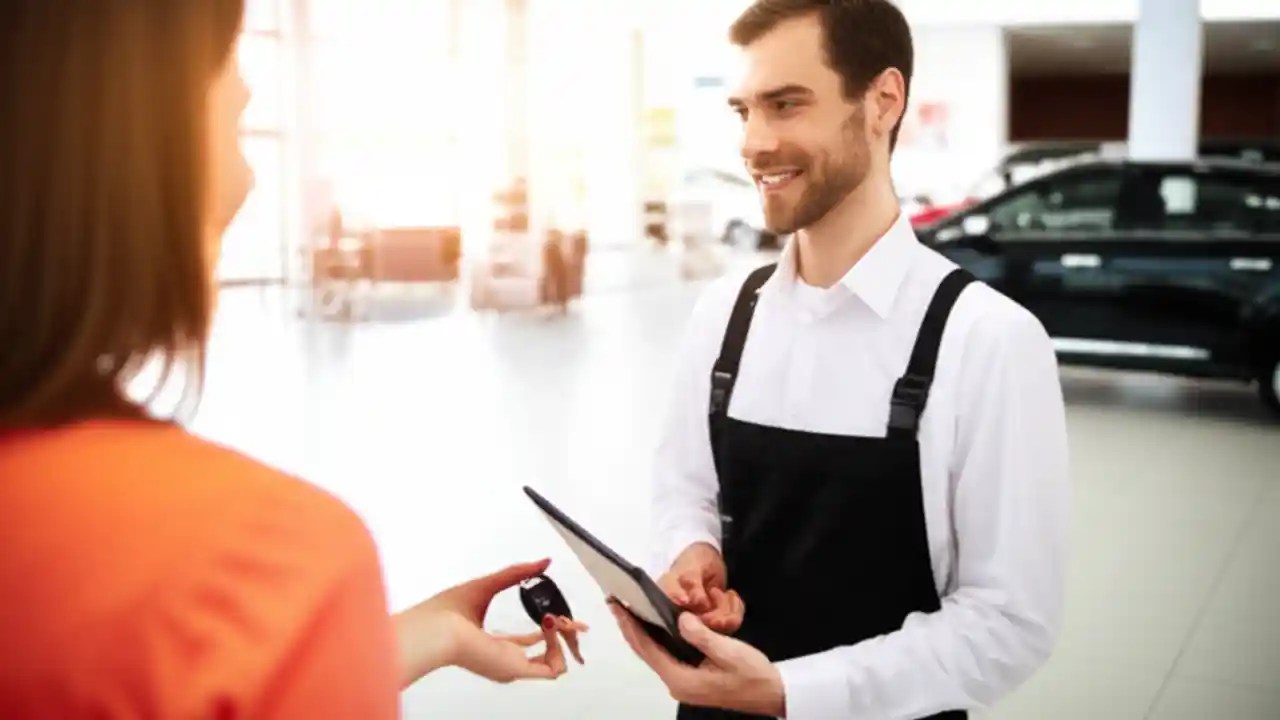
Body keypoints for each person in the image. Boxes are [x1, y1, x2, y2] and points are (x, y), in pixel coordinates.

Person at [0, 2, 585, 716]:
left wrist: (419, 636)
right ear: (117, 159)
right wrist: (301, 628)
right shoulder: (257, 560)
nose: (246, 182)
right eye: (236, 125)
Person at [613, 1, 1070, 718]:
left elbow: (1009, 625)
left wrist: (791, 693)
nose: (755, 143)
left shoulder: (985, 340)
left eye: (787, 105)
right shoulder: (724, 313)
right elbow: (685, 491)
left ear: (883, 101)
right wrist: (693, 550)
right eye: (743, 112)